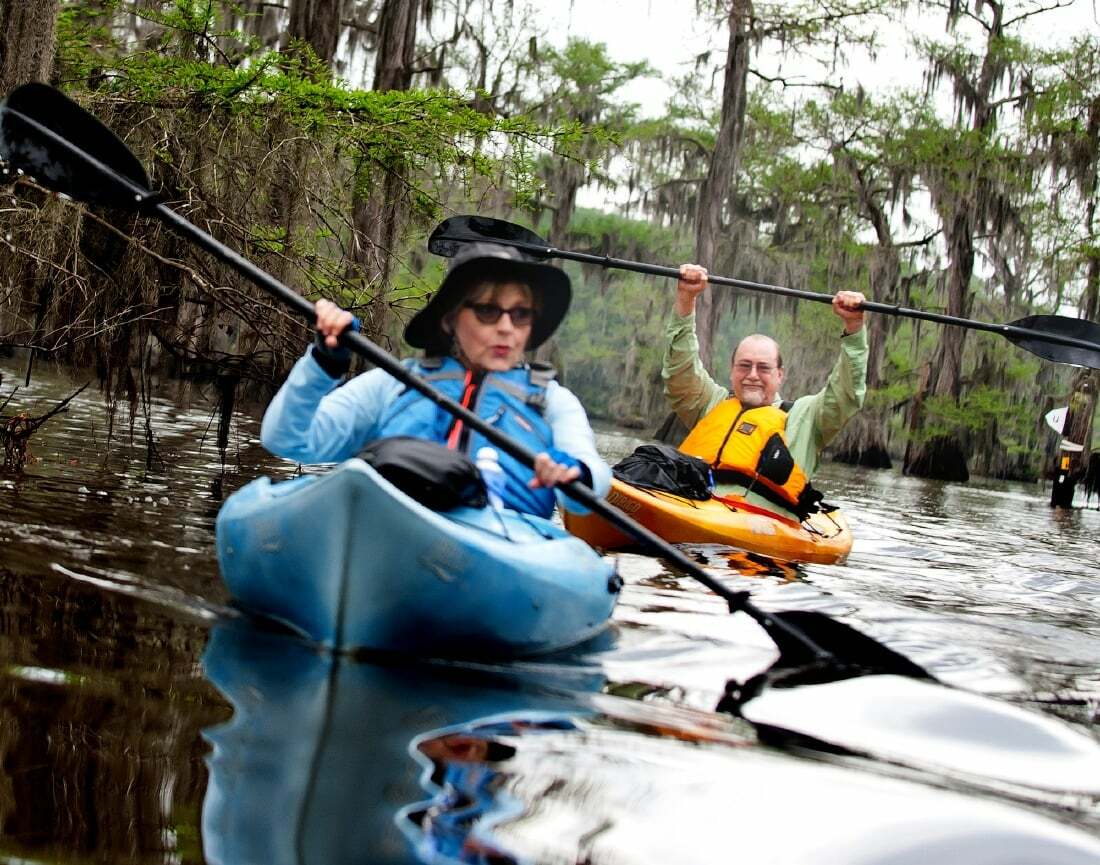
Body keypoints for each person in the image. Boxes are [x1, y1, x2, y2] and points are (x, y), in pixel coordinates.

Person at [260, 242, 610, 518]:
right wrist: (323, 362)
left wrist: (575, 473)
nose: (506, 328)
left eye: (520, 314)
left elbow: (588, 492)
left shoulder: (552, 401)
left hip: (503, 540)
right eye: (488, 310)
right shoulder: (393, 382)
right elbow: (286, 440)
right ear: (450, 319)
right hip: (389, 521)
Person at [662, 263, 867, 519]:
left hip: (761, 532)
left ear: (780, 375)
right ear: (732, 370)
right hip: (693, 509)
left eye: (764, 368)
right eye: (744, 366)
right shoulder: (711, 402)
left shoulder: (805, 418)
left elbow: (845, 393)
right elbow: (679, 373)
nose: (752, 375)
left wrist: (854, 328)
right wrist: (686, 298)